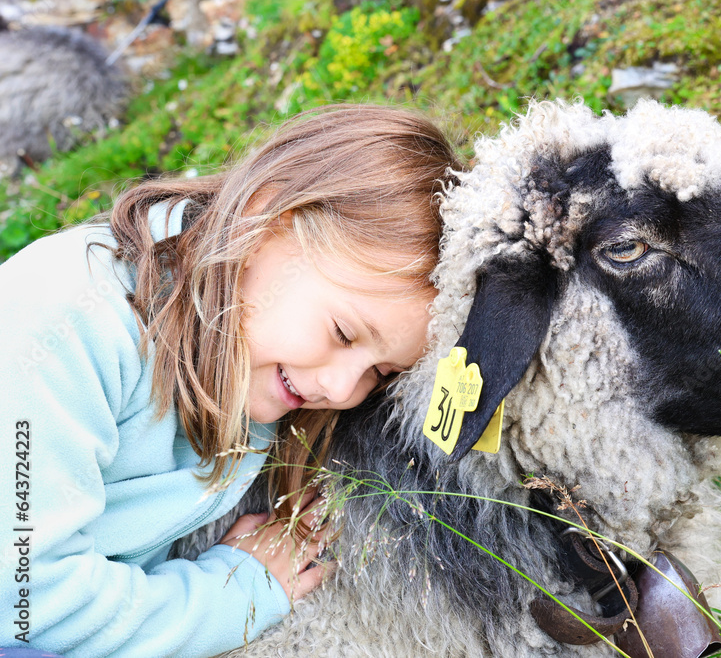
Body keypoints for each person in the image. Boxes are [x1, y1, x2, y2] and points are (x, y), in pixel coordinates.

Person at [0, 104, 462, 656]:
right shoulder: (65, 324)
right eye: (343, 333)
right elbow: (27, 605)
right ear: (265, 222)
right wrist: (237, 592)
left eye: (380, 372)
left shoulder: (247, 357)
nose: (342, 390)